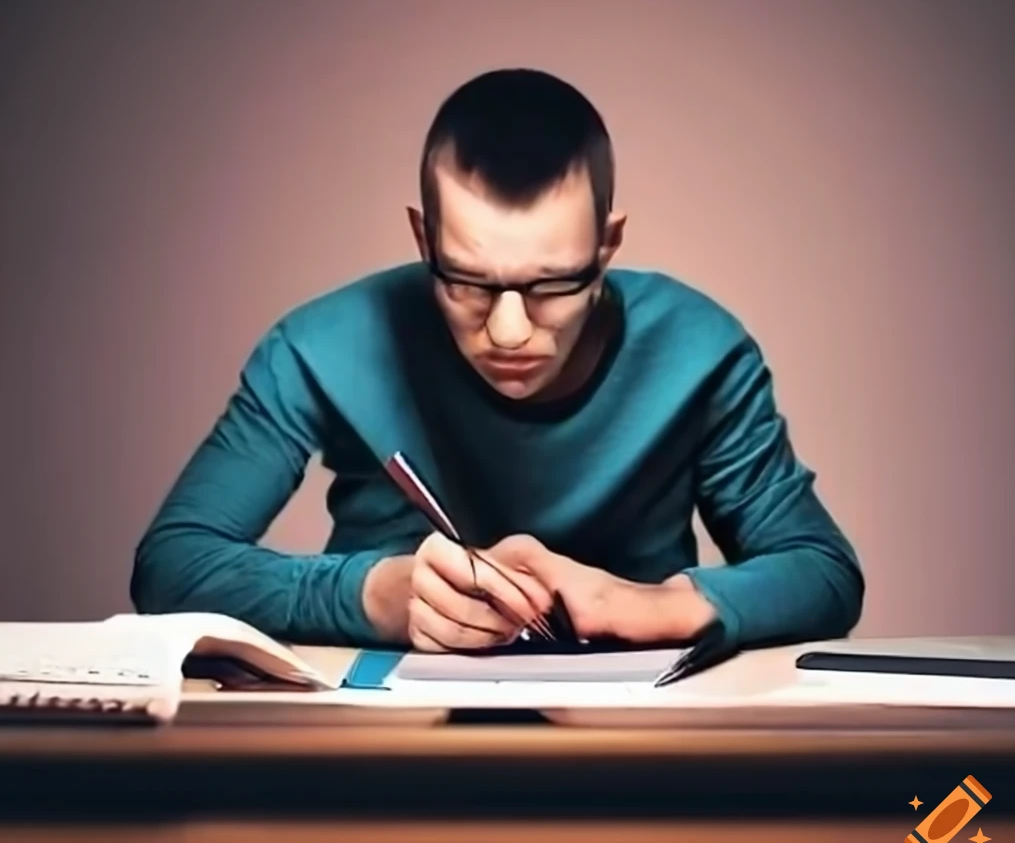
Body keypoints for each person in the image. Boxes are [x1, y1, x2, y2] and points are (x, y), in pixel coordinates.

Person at [131, 67, 864, 656]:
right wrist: (377, 597)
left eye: (554, 284)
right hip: (380, 740)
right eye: (466, 281)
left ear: (607, 246)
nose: (509, 332)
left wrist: (649, 605)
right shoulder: (319, 345)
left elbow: (823, 572)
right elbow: (171, 565)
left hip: (637, 742)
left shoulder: (700, 349)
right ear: (424, 240)